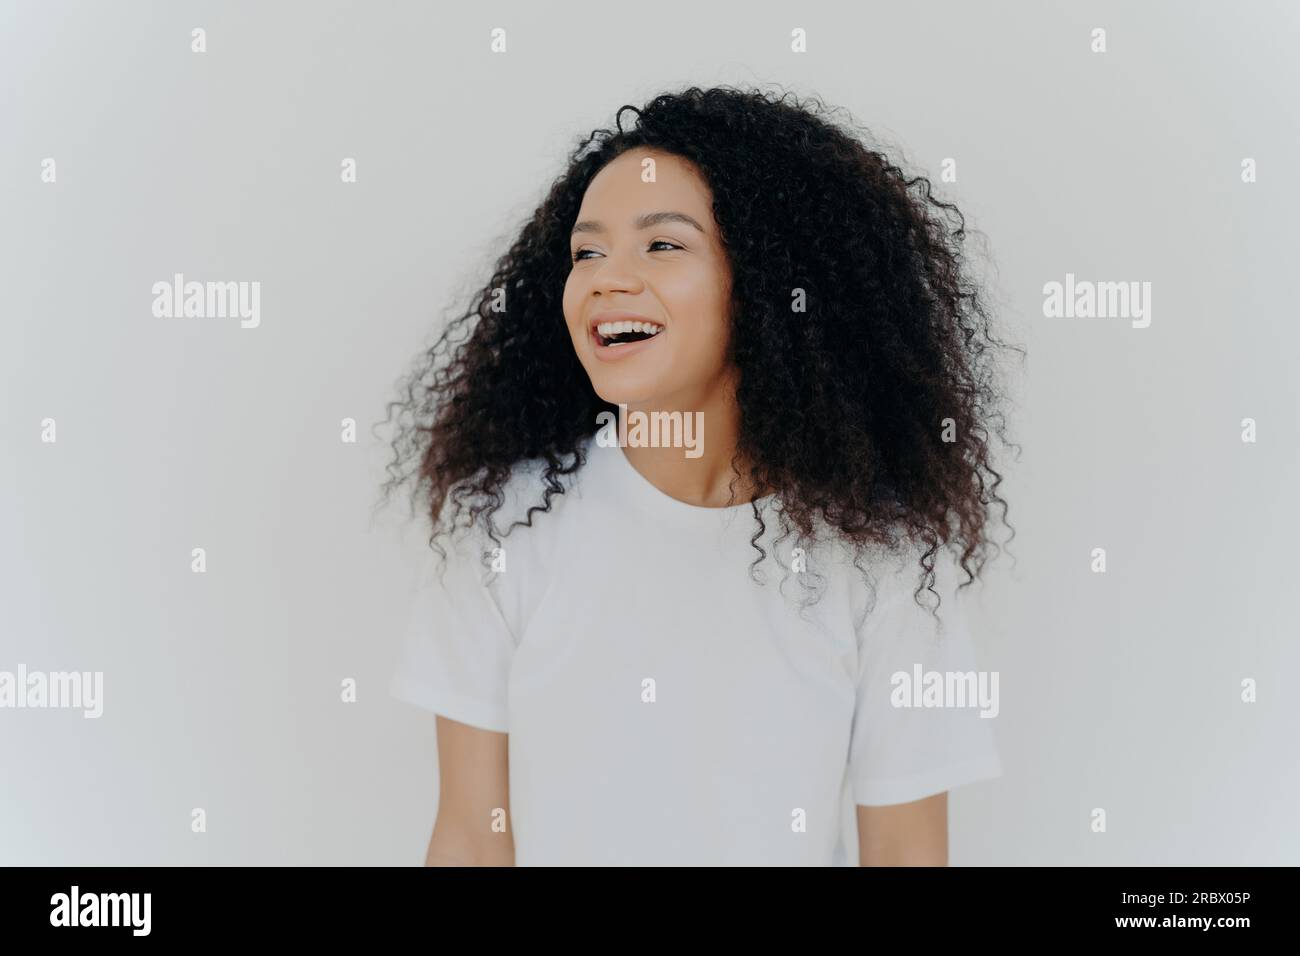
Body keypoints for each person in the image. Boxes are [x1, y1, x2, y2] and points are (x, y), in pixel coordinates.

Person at [381, 85, 1020, 866]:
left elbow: (906, 850)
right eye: (587, 251)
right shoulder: (501, 526)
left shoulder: (883, 557)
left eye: (662, 245)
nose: (608, 278)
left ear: (763, 285)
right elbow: (473, 840)